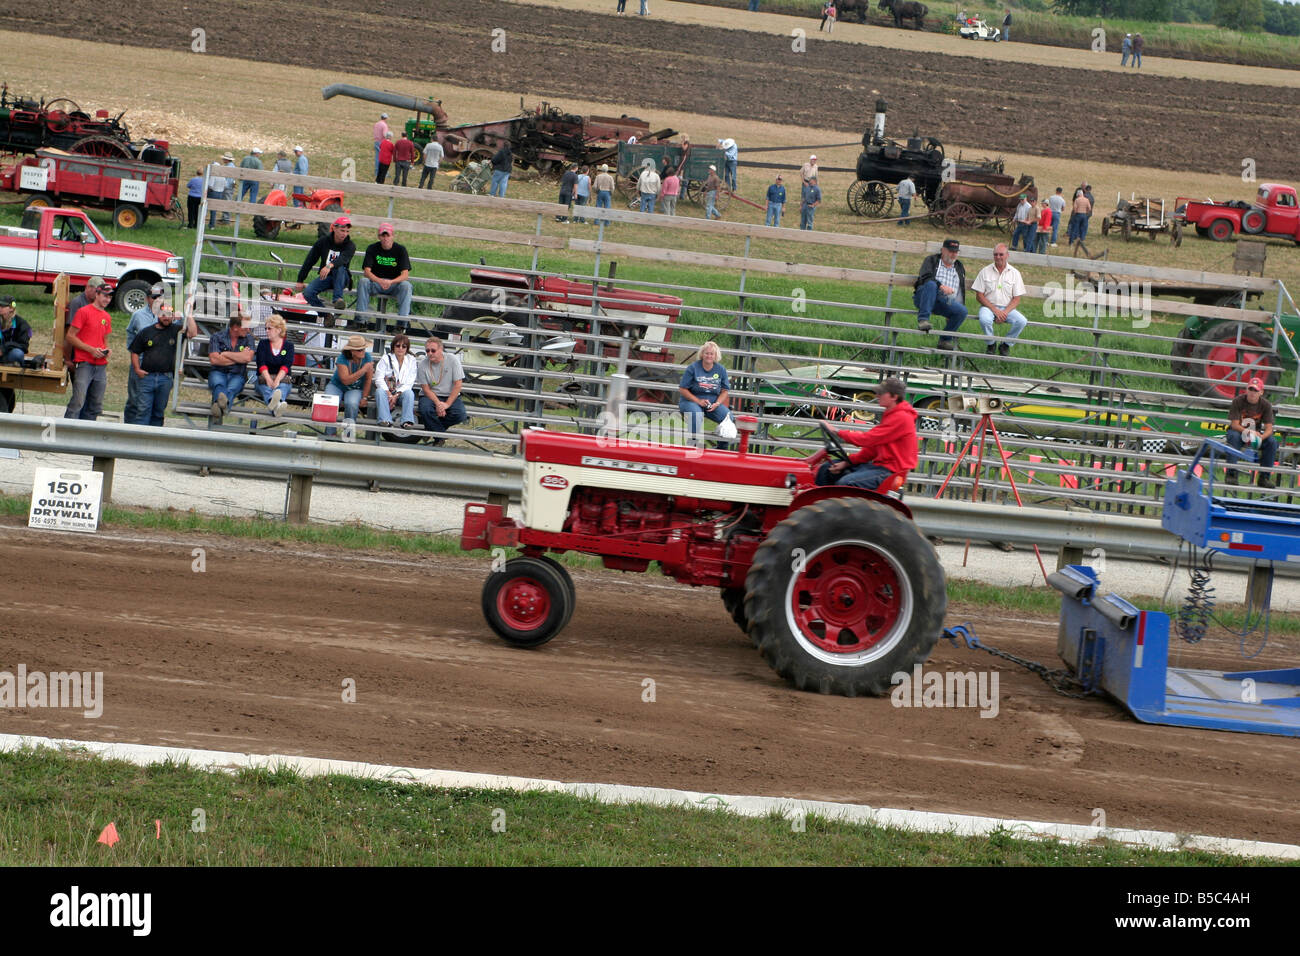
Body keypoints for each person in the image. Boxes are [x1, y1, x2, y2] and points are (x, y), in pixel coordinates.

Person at [814, 378, 917, 490]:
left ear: (894, 397)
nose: (877, 396)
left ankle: (834, 505)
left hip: (890, 471)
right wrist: (847, 462)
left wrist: (837, 432)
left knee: (846, 483)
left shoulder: (901, 418)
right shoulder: (891, 414)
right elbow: (872, 448)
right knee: (826, 469)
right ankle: (819, 502)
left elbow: (867, 439)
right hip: (878, 467)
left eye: (881, 393)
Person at [126, 304, 198, 427]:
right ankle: (139, 441)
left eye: (169, 315)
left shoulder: (177, 331)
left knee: (158, 413)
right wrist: (137, 369)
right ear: (158, 315)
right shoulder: (146, 332)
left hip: (166, 379)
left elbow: (193, 333)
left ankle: (154, 442)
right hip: (147, 378)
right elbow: (135, 352)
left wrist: (189, 314)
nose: (166, 318)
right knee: (142, 411)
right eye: (163, 315)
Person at [63, 284, 114, 421]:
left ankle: (87, 432)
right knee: (78, 399)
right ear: (97, 294)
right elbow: (70, 336)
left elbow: (105, 338)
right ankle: (66, 429)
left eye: (109, 297)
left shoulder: (106, 317)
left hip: (100, 364)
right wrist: (90, 350)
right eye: (105, 295)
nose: (107, 299)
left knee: (96, 403)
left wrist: (107, 350)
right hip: (84, 362)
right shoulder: (83, 312)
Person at [123, 284, 170, 424]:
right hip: (140, 363)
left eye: (160, 297)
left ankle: (151, 433)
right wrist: (134, 352)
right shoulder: (138, 315)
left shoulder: (168, 314)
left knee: (156, 404)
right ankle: (129, 430)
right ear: (147, 298)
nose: (157, 300)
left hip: (160, 366)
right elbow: (130, 332)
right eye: (154, 297)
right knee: (134, 399)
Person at [971, 242, 1029, 356]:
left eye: (1001, 254)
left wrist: (1004, 313)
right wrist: (995, 310)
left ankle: (1006, 344)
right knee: (984, 319)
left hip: (1007, 308)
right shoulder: (985, 271)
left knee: (1022, 321)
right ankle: (991, 343)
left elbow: (1017, 298)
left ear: (1007, 255)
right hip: (988, 306)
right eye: (995, 254)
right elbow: (979, 296)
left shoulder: (1015, 273)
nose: (998, 257)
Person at [355, 222, 413, 334]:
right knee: (363, 282)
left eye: (388, 235)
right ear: (379, 236)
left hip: (394, 285)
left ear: (393, 236)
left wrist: (391, 281)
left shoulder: (401, 250)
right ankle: (360, 322)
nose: (385, 238)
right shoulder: (372, 248)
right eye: (383, 235)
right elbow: (366, 272)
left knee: (406, 285)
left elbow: (405, 275)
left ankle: (401, 325)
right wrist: (380, 281)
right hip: (376, 283)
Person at [914, 238, 969, 351]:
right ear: (943, 250)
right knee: (931, 285)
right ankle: (923, 319)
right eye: (950, 251)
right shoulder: (931, 260)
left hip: (944, 301)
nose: (953, 254)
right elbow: (925, 277)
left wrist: (957, 306)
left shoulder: (959, 266)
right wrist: (940, 286)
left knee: (962, 311)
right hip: (925, 295)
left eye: (955, 252)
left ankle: (945, 340)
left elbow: (960, 289)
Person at [1225, 377, 1278, 488]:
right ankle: (1231, 474)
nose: (1253, 393)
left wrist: (1261, 437)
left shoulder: (1266, 405)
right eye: (1251, 389)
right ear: (1246, 389)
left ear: (1261, 392)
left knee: (1272, 442)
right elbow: (1234, 425)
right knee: (1233, 437)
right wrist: (1248, 432)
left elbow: (1269, 428)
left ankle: (1264, 477)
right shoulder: (1238, 401)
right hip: (1238, 432)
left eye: (1256, 390)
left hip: (1255, 434)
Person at [295, 216, 356, 311]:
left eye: (347, 231)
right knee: (308, 292)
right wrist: (300, 279)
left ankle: (338, 300)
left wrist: (329, 266)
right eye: (342, 230)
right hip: (326, 277)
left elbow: (343, 259)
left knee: (339, 268)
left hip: (342, 278)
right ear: (334, 228)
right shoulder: (323, 242)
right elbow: (310, 260)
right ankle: (325, 314)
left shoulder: (350, 245)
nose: (345, 234)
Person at [678, 341, 731, 444]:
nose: (709, 356)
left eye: (712, 354)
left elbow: (725, 391)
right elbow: (682, 389)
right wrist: (698, 401)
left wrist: (717, 403)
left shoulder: (721, 370)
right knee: (696, 415)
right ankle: (693, 445)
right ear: (702, 354)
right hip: (691, 401)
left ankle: (721, 449)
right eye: (706, 353)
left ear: (716, 355)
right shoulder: (693, 368)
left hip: (712, 403)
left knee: (729, 419)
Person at [417, 336, 467, 444]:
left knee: (460, 414)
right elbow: (425, 389)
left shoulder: (452, 359)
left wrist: (447, 404)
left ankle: (431, 429)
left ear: (441, 349)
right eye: (427, 350)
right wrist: (438, 404)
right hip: (429, 395)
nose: (430, 353)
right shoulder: (422, 364)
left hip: (450, 394)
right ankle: (439, 437)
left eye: (433, 350)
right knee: (425, 410)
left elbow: (458, 385)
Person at [207, 313, 256, 420]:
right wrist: (239, 358)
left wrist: (225, 354)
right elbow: (214, 359)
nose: (248, 329)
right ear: (235, 327)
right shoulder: (217, 337)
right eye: (245, 327)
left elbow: (247, 358)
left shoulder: (249, 339)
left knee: (232, 389)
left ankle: (218, 406)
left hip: (237, 374)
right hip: (218, 371)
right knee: (218, 384)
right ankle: (224, 407)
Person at [324, 334, 373, 436]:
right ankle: (330, 434)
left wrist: (364, 397)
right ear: (352, 351)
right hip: (337, 385)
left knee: (352, 404)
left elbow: (368, 379)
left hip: (355, 388)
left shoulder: (367, 357)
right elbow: (345, 380)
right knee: (330, 401)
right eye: (360, 350)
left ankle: (348, 435)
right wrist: (363, 370)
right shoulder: (342, 358)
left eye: (364, 348)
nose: (363, 351)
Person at [374, 333, 418, 429]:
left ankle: (407, 421)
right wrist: (389, 394)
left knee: (409, 394)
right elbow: (379, 379)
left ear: (407, 348)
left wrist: (396, 395)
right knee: (379, 392)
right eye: (398, 345)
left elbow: (410, 382)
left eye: (404, 346)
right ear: (393, 347)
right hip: (387, 392)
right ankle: (385, 420)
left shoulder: (412, 360)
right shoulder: (385, 358)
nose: (400, 348)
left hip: (401, 393)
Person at [255, 314, 294, 417]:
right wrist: (268, 379)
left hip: (282, 378)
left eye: (269, 328)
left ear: (278, 330)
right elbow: (261, 363)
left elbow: (286, 365)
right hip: (264, 378)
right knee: (266, 388)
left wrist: (276, 380)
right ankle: (278, 406)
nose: (266, 331)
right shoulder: (263, 344)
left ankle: (275, 405)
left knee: (282, 387)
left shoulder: (289, 346)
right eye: (266, 328)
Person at [0, 297, 33, 366]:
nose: (0, 308)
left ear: (12, 308)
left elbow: (24, 346)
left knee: (17, 354)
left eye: (2, 306)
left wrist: (4, 348)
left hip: (9, 355)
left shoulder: (22, 324)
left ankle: (11, 367)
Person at [206, 157, 227, 229]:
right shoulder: (223, 176)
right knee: (214, 210)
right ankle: (212, 225)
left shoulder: (213, 175)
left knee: (206, 208)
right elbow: (225, 186)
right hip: (220, 193)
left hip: (213, 192)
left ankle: (204, 223)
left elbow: (210, 185)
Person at [218, 153, 238, 224]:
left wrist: (224, 186)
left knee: (226, 202)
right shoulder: (230, 166)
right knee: (226, 202)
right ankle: (224, 217)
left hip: (227, 188)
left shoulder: (229, 167)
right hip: (228, 187)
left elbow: (228, 180)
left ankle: (226, 219)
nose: (223, 159)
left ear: (227, 159)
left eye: (224, 158)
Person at [372, 112, 390, 179]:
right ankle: (384, 173)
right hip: (382, 143)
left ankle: (376, 172)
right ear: (386, 118)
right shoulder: (384, 125)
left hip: (376, 141)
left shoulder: (376, 124)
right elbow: (385, 135)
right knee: (383, 159)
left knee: (377, 157)